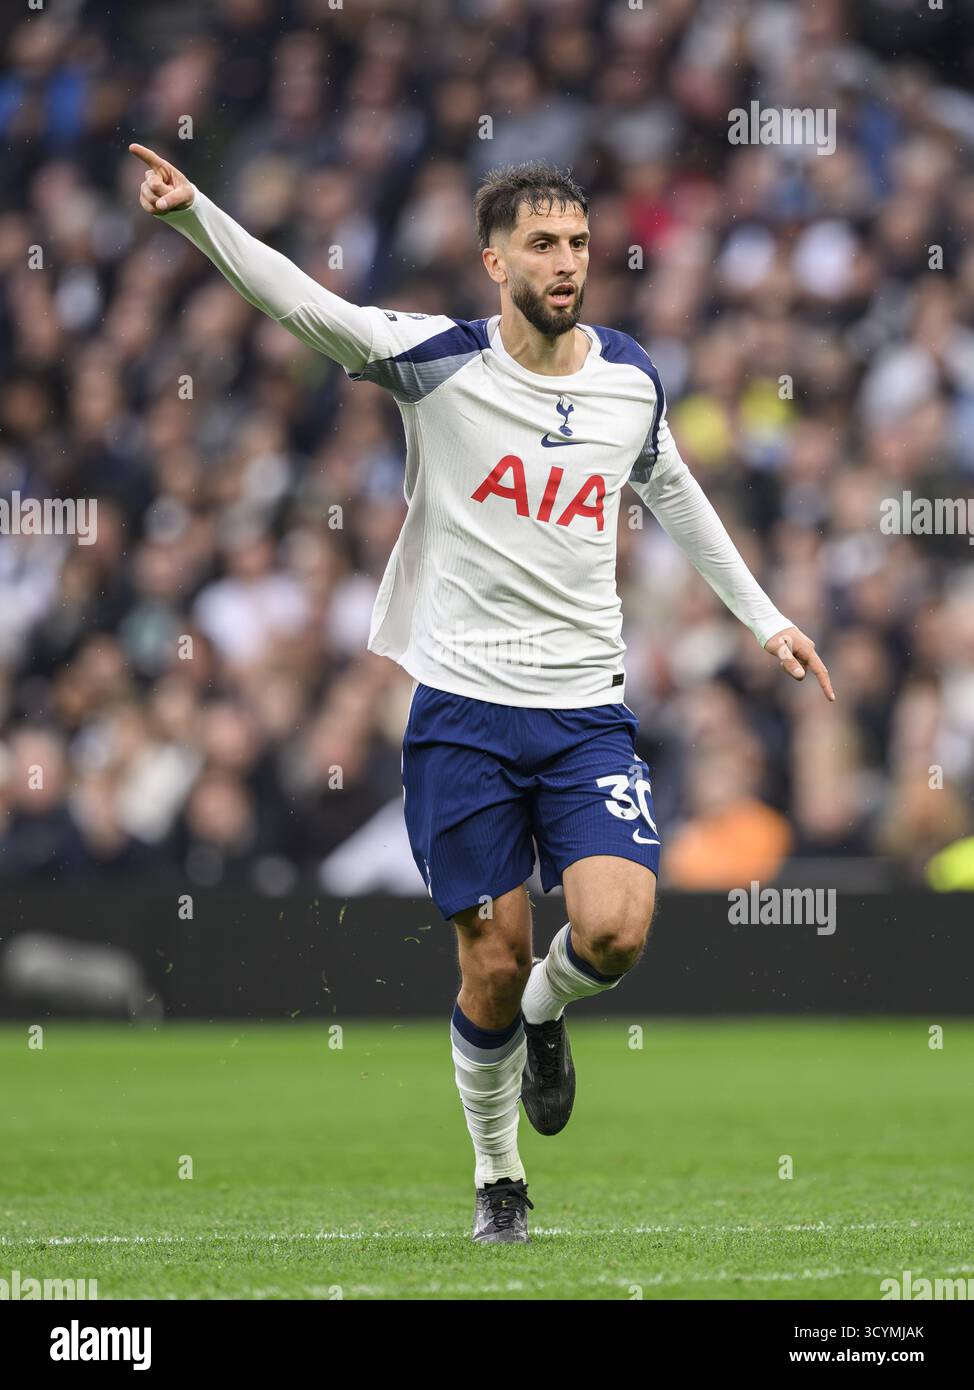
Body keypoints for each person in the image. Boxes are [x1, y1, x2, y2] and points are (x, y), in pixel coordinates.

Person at [131, 145, 835, 1243]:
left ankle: (551, 1013)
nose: (567, 262)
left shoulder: (629, 379)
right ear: (494, 260)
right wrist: (194, 217)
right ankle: (498, 1177)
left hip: (585, 712)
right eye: (543, 244)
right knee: (492, 959)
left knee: (613, 934)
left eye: (579, 244)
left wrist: (765, 618)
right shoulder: (437, 362)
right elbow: (305, 304)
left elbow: (674, 491)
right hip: (462, 712)